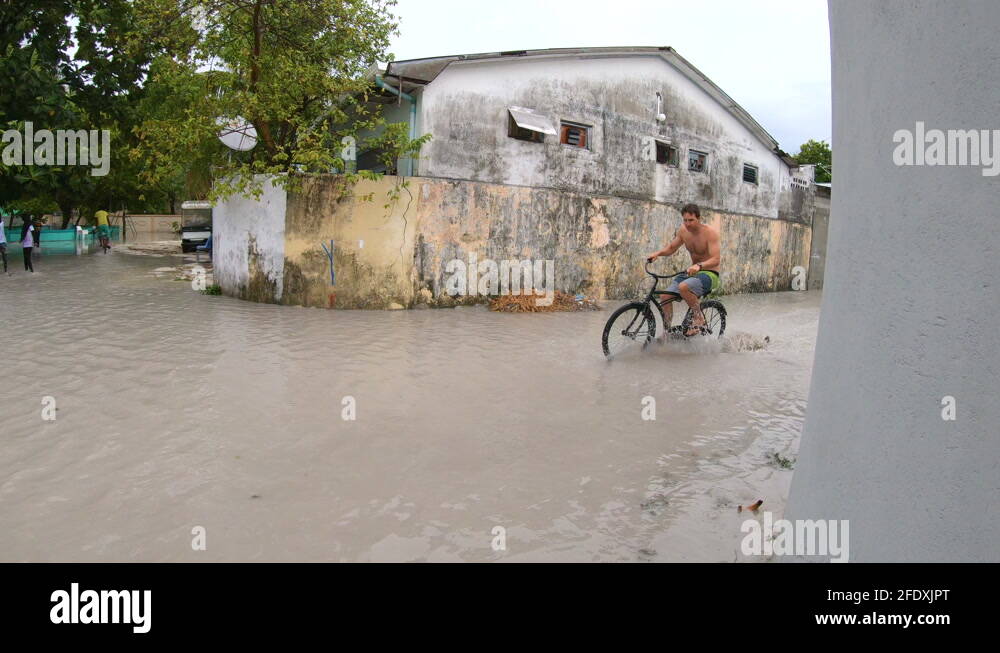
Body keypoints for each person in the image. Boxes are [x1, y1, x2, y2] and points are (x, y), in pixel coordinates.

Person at [646, 203, 721, 336]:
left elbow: (716, 259)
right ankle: (666, 332)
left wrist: (699, 266)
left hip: (710, 273)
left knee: (683, 286)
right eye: (685, 220)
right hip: (693, 272)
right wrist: (657, 254)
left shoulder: (710, 233)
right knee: (665, 295)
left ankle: (699, 318)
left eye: (691, 220)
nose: (688, 223)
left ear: (699, 218)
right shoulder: (683, 231)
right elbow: (671, 248)